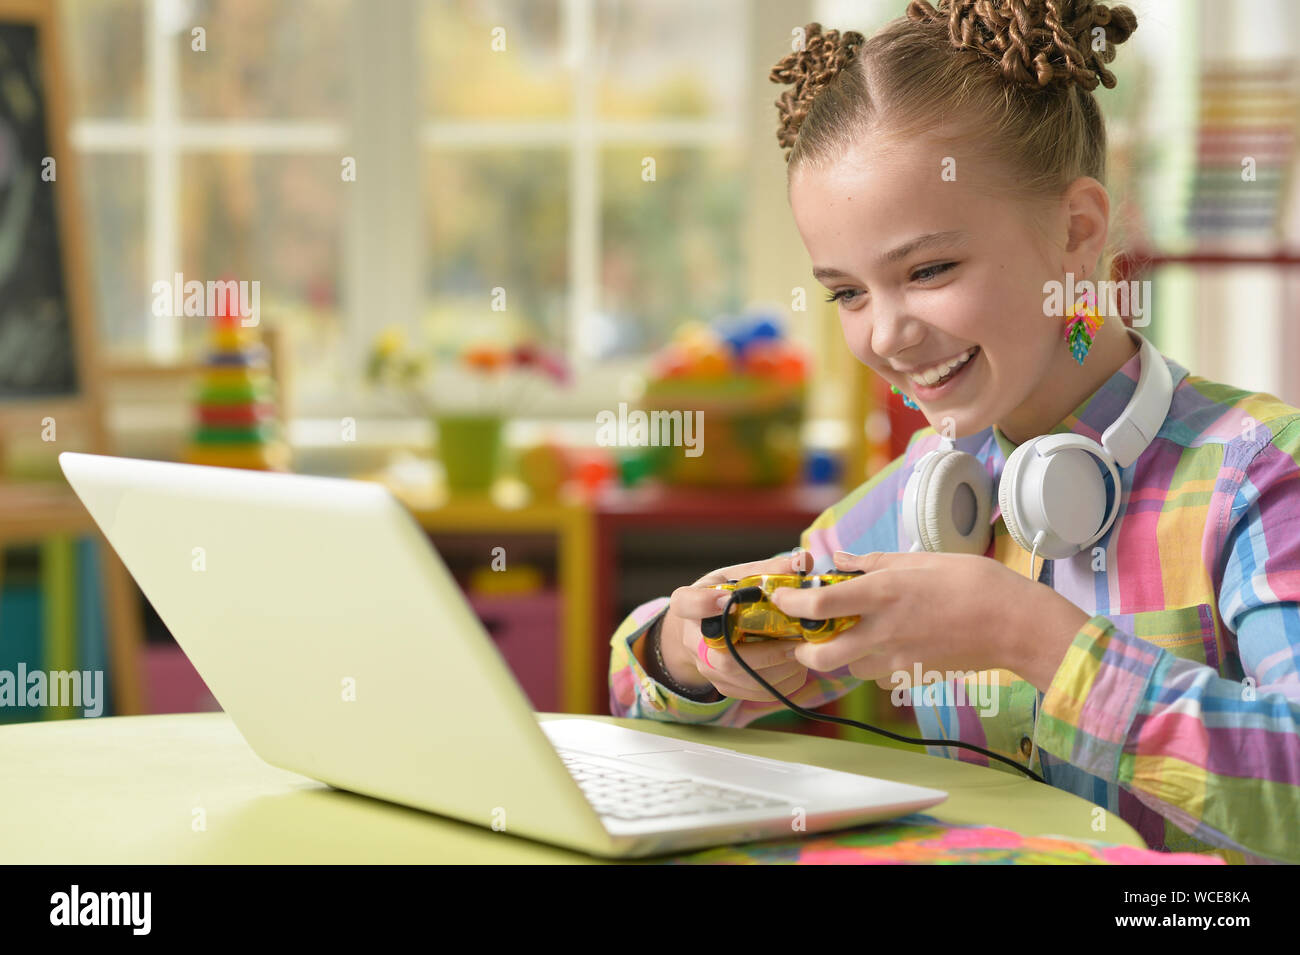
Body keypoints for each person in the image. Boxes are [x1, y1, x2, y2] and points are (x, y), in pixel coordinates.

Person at [607, 0, 1300, 865]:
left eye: (928, 270)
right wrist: (694, 650)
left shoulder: (1258, 471)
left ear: (1076, 232)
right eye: (848, 292)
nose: (885, 334)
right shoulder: (927, 489)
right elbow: (634, 685)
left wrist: (1032, 638)